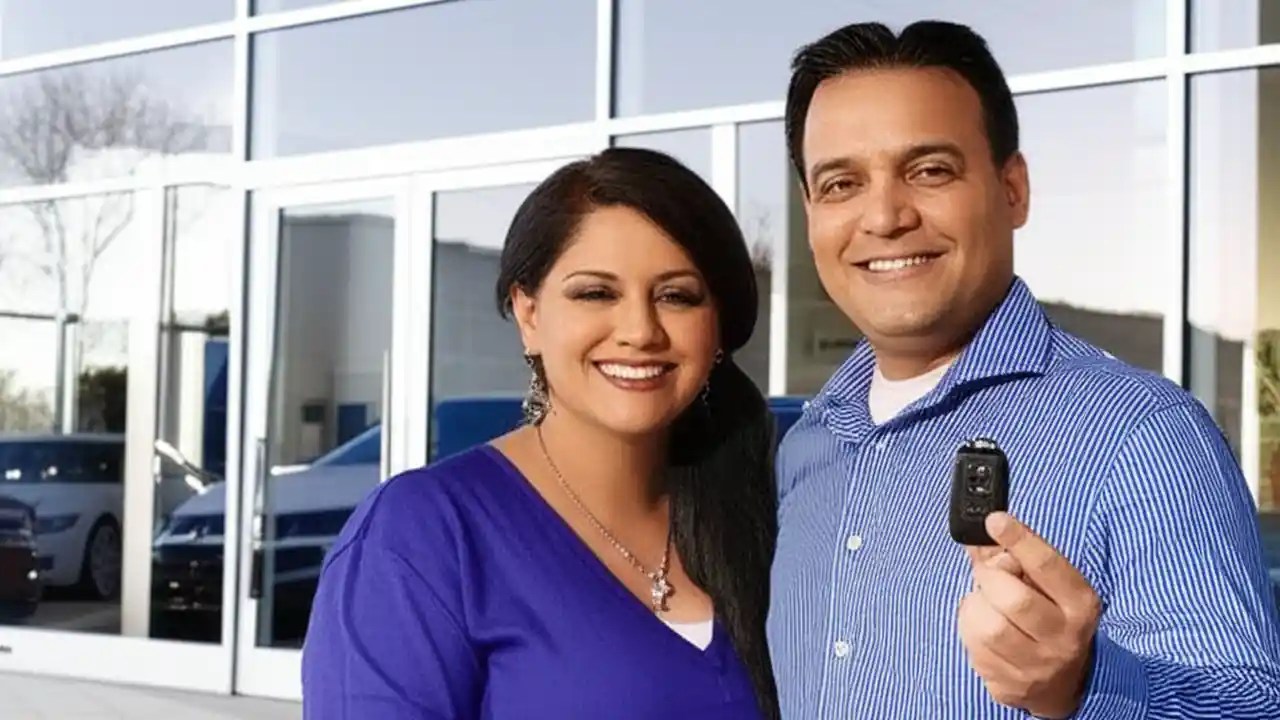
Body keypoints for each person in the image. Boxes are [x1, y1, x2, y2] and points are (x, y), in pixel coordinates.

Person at [766, 19, 1280, 719]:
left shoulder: (1144, 437)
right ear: (810, 214)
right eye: (840, 183)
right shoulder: (806, 447)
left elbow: (1251, 708)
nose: (883, 216)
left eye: (929, 170)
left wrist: (1086, 688)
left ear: (1013, 190)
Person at [300, 147, 780, 719]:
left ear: (717, 327)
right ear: (529, 314)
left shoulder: (760, 516)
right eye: (596, 293)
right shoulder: (422, 536)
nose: (639, 331)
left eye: (676, 296)